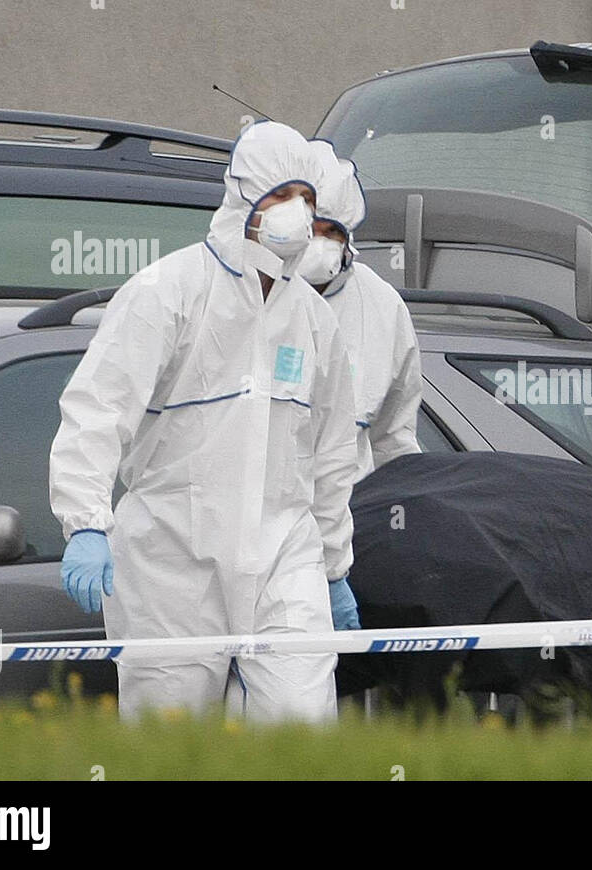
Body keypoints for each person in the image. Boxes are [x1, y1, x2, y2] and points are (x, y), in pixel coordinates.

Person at [49, 121, 361, 722]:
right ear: (242, 197)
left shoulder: (315, 320)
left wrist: (333, 564)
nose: (296, 214)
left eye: (307, 199)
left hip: (282, 559)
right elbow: (96, 410)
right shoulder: (168, 292)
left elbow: (331, 455)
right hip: (172, 558)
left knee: (299, 719)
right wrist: (85, 521)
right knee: (171, 737)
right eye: (280, 196)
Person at [299, 139, 422, 483]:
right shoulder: (245, 295)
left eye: (331, 231)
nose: (318, 244)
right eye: (310, 229)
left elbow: (394, 441)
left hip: (346, 524)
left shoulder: (380, 305)